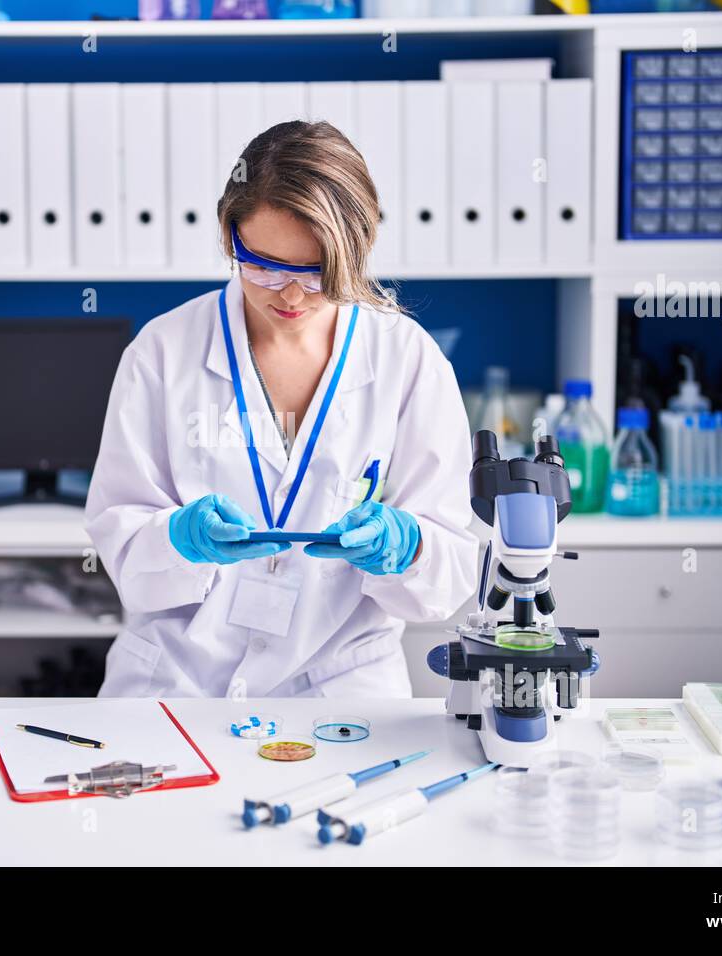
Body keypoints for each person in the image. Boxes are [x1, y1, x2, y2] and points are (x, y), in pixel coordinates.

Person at [85, 120, 478, 698]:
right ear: (229, 238)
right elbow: (122, 550)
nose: (289, 295)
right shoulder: (162, 353)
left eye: (317, 273)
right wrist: (178, 538)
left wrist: (407, 545)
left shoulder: (408, 360)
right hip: (176, 681)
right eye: (264, 266)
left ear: (357, 251)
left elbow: (448, 573)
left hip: (340, 683)